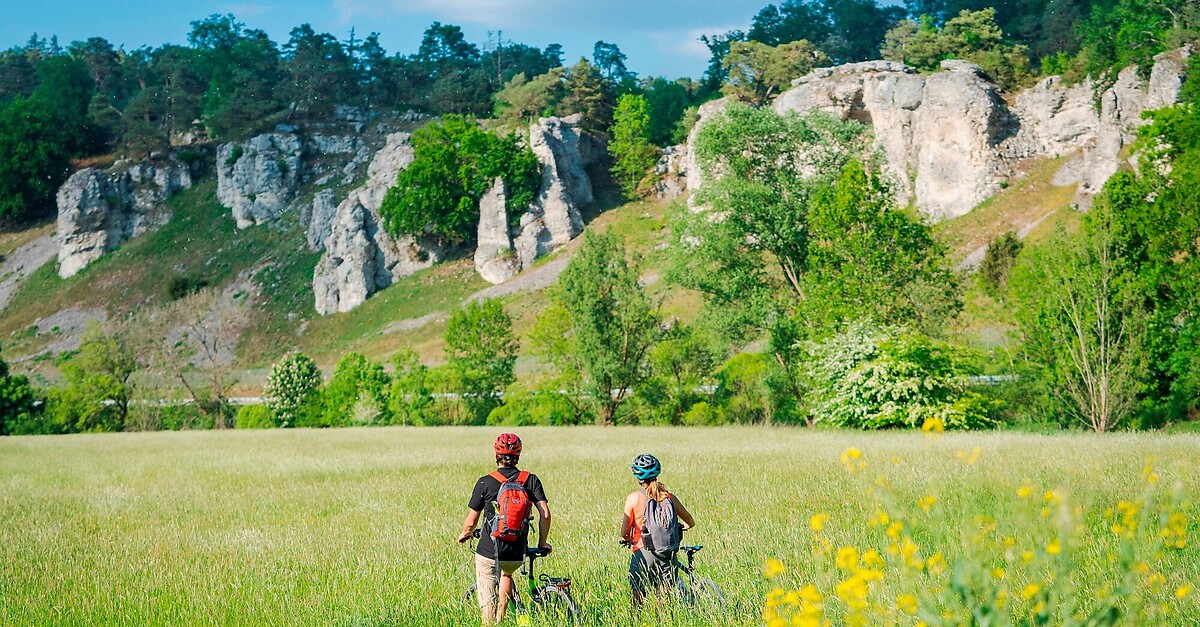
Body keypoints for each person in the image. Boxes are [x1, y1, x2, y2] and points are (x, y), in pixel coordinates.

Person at [457, 433, 552, 625]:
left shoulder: (485, 481)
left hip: (488, 551)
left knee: (487, 611)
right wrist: (542, 543)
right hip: (516, 551)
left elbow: (471, 521)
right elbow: (546, 514)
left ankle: (493, 622)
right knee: (507, 573)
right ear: (518, 455)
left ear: (496, 455)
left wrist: (465, 533)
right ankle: (507, 618)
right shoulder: (530, 480)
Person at [620, 453, 695, 606]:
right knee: (664, 602)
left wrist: (626, 538)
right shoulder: (669, 497)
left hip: (643, 552)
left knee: (637, 599)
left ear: (638, 477)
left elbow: (624, 532)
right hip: (668, 553)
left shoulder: (633, 498)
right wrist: (684, 526)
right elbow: (690, 521)